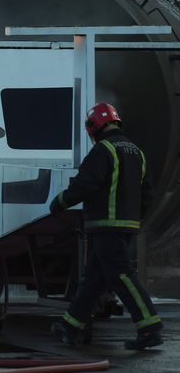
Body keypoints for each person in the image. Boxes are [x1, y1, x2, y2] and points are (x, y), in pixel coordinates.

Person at [49, 102, 163, 350]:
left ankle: (150, 326)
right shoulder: (137, 152)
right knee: (93, 280)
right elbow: (148, 193)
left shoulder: (103, 150)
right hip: (125, 226)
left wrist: (59, 202)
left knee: (121, 275)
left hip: (106, 226)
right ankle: (71, 327)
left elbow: (85, 185)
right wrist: (134, 219)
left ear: (94, 126)